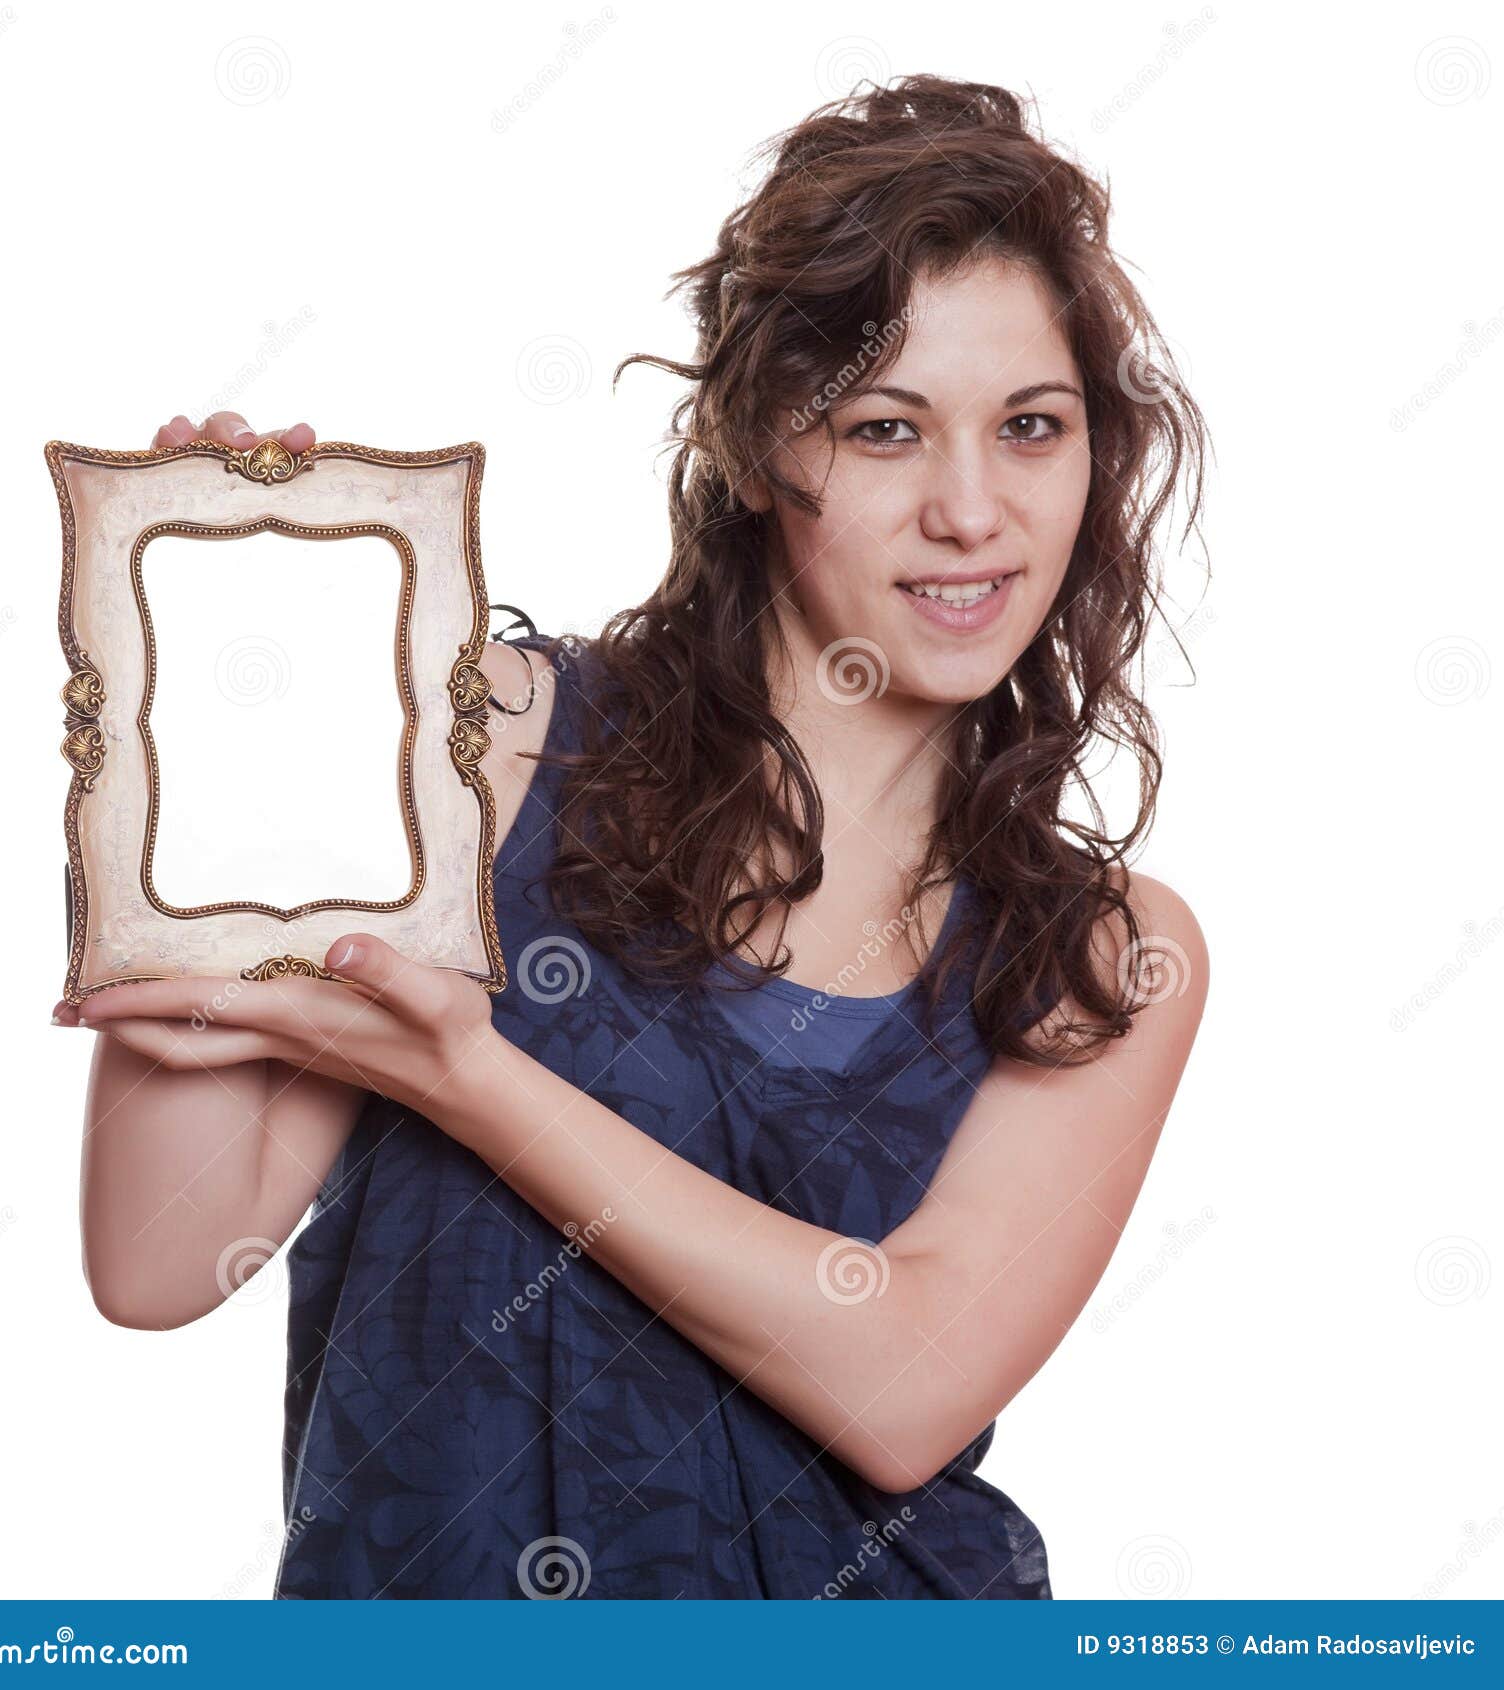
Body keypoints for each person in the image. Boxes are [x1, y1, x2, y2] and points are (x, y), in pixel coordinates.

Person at [62, 75, 1211, 1598]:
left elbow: (906, 1382)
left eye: (1031, 428)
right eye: (886, 429)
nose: (970, 509)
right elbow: (156, 1263)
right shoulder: (487, 742)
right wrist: (235, 750)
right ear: (754, 447)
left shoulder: (1104, 951)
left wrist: (468, 1076)